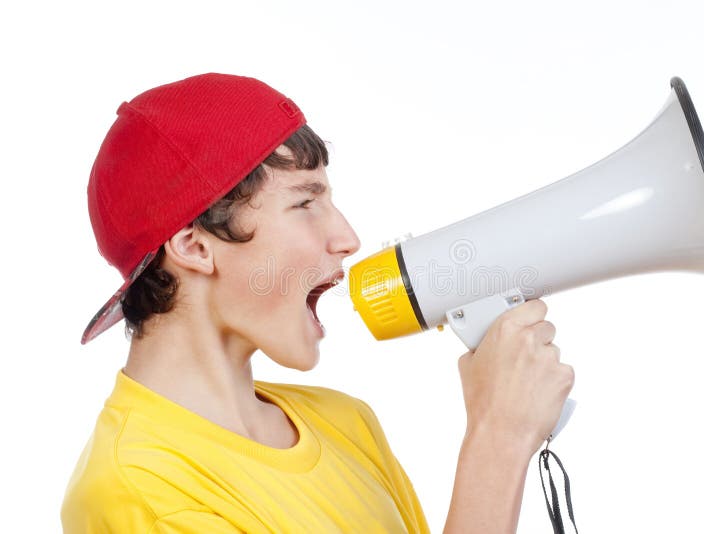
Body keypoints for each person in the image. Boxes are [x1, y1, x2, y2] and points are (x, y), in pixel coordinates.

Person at [61, 73, 574, 533]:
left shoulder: (344, 422)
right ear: (195, 246)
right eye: (305, 203)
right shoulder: (139, 489)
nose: (348, 238)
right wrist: (499, 439)